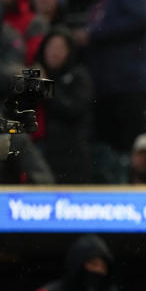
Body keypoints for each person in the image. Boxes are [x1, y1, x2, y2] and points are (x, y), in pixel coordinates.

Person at [71, 0, 146, 178]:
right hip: (107, 87)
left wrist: (92, 34)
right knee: (110, 150)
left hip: (129, 84)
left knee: (130, 147)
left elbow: (139, 18)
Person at [33, 26, 95, 184]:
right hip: (39, 152)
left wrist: (45, 86)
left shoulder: (79, 76)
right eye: (51, 46)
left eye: (61, 47)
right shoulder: (35, 76)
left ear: (69, 51)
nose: (55, 52)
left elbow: (72, 109)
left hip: (71, 158)